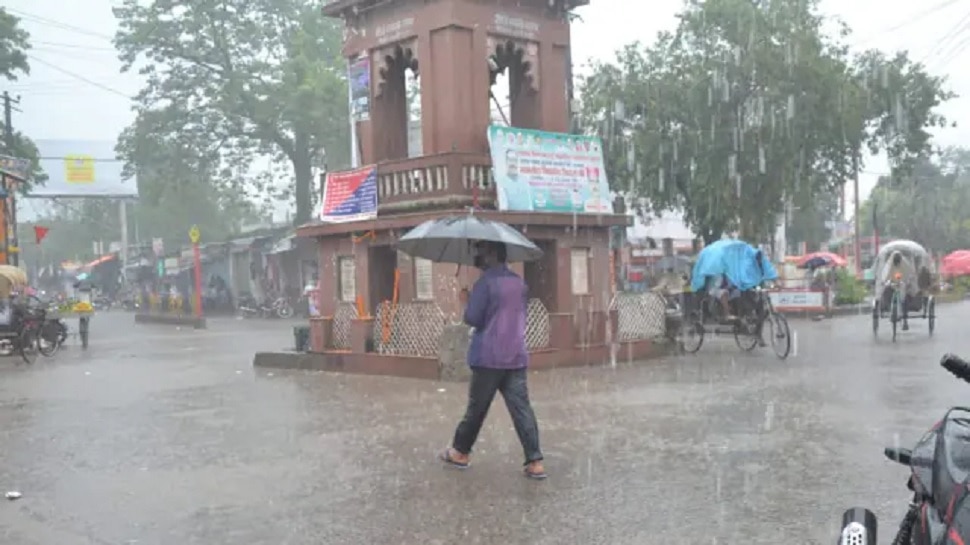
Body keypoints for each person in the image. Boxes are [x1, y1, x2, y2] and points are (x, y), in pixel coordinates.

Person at [439, 240, 546, 480]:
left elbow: (473, 318)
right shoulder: (519, 284)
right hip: (515, 355)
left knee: (476, 410)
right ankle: (535, 460)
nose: (477, 257)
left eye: (481, 252)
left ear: (492, 256)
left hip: (488, 356)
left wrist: (466, 301)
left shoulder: (485, 284)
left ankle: (460, 452)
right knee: (522, 409)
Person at [879, 250, 917, 330]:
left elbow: (909, 275)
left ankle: (905, 320)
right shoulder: (890, 265)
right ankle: (890, 310)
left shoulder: (905, 265)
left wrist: (908, 282)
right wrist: (886, 282)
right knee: (886, 293)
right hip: (892, 285)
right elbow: (886, 275)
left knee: (905, 300)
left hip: (903, 285)